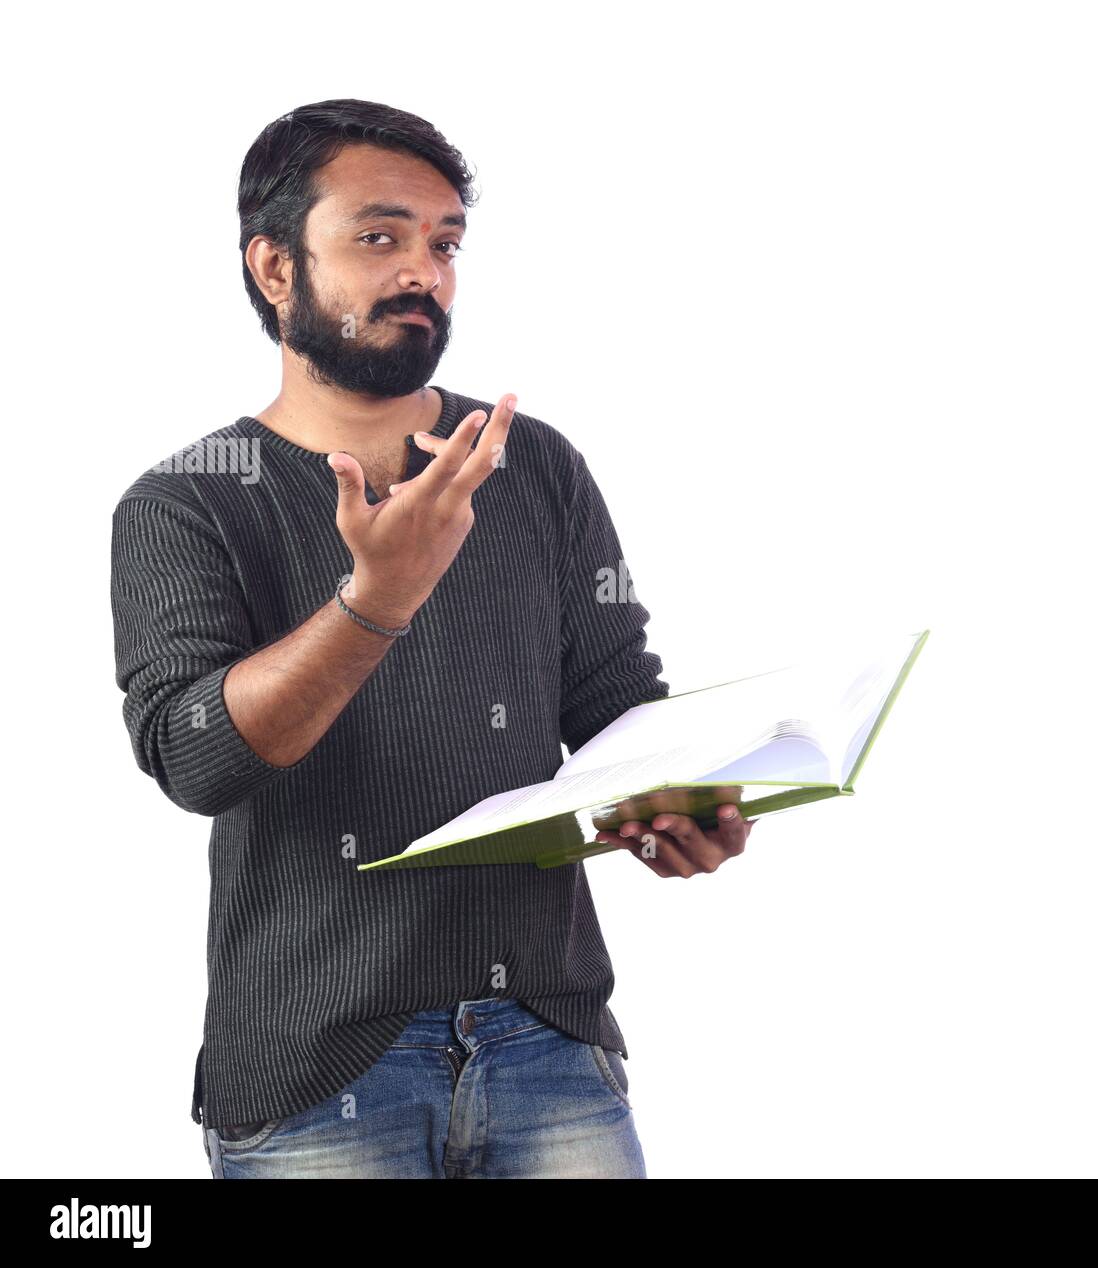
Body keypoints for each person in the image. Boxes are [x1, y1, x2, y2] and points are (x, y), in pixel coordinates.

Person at [109, 98, 754, 1179]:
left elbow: (613, 701)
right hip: (316, 1068)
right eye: (379, 236)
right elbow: (196, 758)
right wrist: (377, 600)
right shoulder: (183, 503)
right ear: (276, 268)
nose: (424, 269)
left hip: (547, 1036)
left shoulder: (533, 464)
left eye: (443, 241)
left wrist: (674, 803)